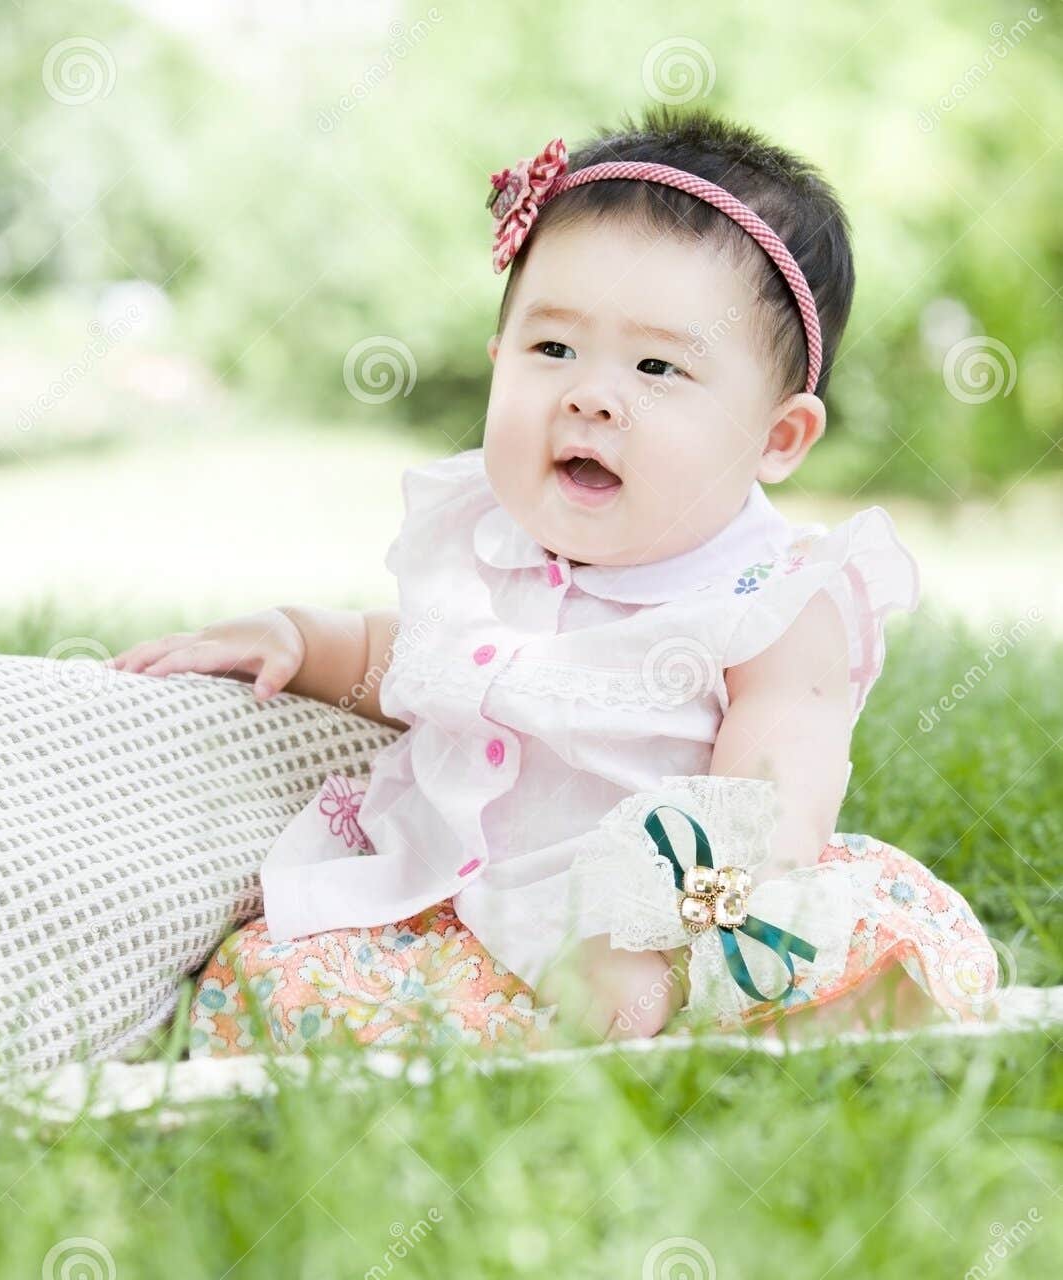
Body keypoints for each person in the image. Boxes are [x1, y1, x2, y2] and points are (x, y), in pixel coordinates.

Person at [109, 106, 999, 1057]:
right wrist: (302, 639)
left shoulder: (769, 603)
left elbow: (771, 795)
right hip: (455, 910)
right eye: (553, 350)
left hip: (666, 918)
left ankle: (725, 1017)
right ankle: (475, 1039)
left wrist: (661, 942)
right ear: (500, 365)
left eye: (656, 366)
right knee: (270, 981)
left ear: (776, 437)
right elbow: (415, 657)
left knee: (873, 954)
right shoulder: (484, 543)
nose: (589, 395)